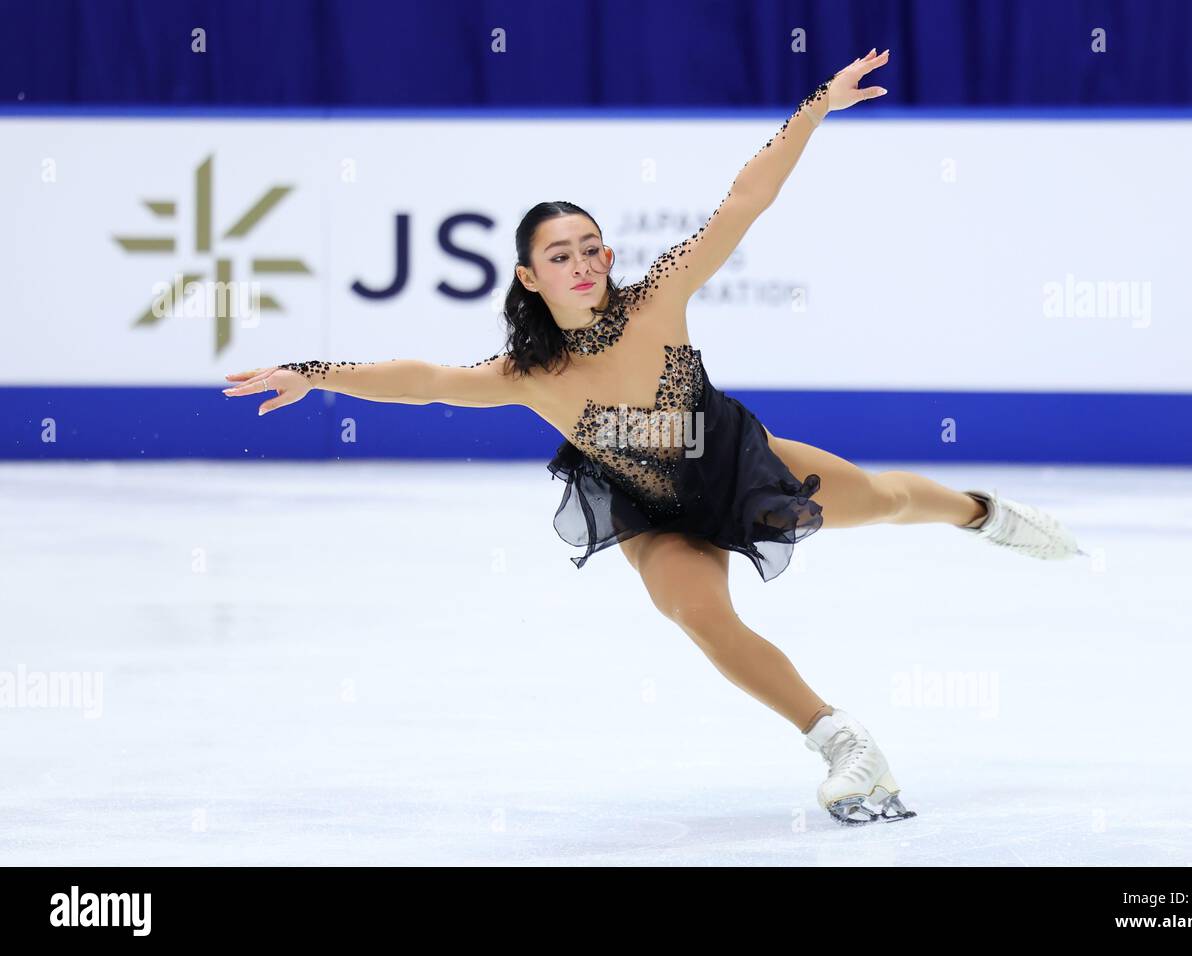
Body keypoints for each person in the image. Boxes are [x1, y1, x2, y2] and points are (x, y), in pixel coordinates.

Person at [222, 50, 1084, 825]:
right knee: (697, 613)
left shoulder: (657, 296)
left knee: (887, 500)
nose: (584, 262)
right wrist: (315, 370)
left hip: (740, 464)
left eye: (591, 246)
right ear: (529, 276)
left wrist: (814, 109)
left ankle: (983, 512)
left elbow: (744, 202)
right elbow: (424, 381)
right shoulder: (527, 375)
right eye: (561, 255)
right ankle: (842, 741)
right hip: (651, 509)